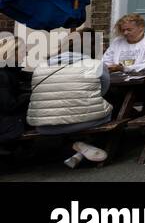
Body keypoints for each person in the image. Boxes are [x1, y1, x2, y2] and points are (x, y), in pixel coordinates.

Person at [25, 28, 113, 168]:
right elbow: (103, 91)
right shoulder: (96, 65)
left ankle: (76, 151)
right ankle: (88, 147)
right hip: (83, 122)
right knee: (109, 109)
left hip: (43, 126)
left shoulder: (40, 67)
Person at [0, 36, 31, 156]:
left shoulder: (10, 71)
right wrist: (28, 96)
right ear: (13, 52)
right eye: (24, 51)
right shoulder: (3, 75)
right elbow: (8, 105)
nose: (26, 54)